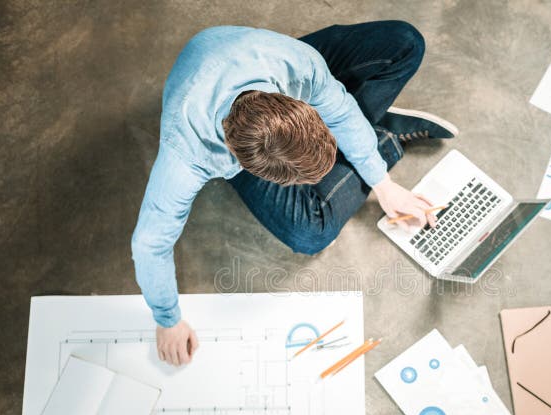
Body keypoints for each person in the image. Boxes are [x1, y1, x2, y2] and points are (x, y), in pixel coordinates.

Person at [132, 22, 458, 366]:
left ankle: (368, 140)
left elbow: (342, 113)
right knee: (309, 234)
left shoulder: (300, 66)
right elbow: (149, 244)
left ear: (297, 104)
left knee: (405, 43)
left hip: (260, 61)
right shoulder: (186, 155)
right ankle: (383, 136)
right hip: (209, 107)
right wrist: (167, 320)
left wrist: (383, 185)